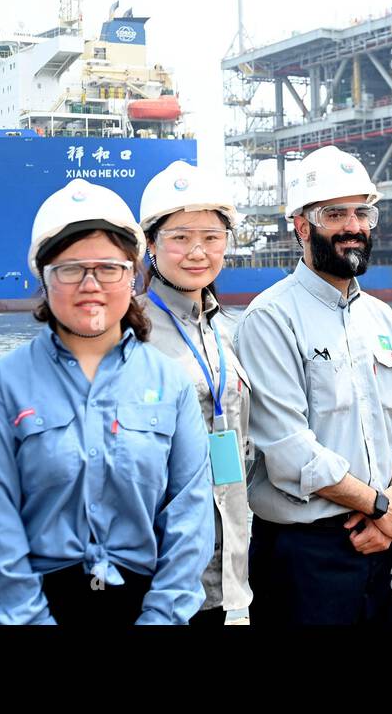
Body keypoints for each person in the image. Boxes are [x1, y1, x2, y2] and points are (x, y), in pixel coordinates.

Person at [0, 178, 213, 625]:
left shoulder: (169, 384)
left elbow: (190, 521)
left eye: (108, 268)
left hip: (144, 607)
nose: (90, 284)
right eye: (70, 269)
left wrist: (161, 618)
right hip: (30, 607)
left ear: (132, 276)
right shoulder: (2, 387)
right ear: (43, 276)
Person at [234, 145, 392, 626]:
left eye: (362, 212)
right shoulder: (270, 318)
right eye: (334, 213)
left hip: (382, 542)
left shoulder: (382, 317)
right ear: (302, 226)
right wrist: (380, 505)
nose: (353, 226)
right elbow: (287, 448)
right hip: (306, 554)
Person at [138, 160, 253, 627]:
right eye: (180, 238)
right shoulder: (133, 333)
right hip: (164, 574)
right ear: (150, 245)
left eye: (211, 237)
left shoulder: (226, 331)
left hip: (232, 573)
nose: (197, 252)